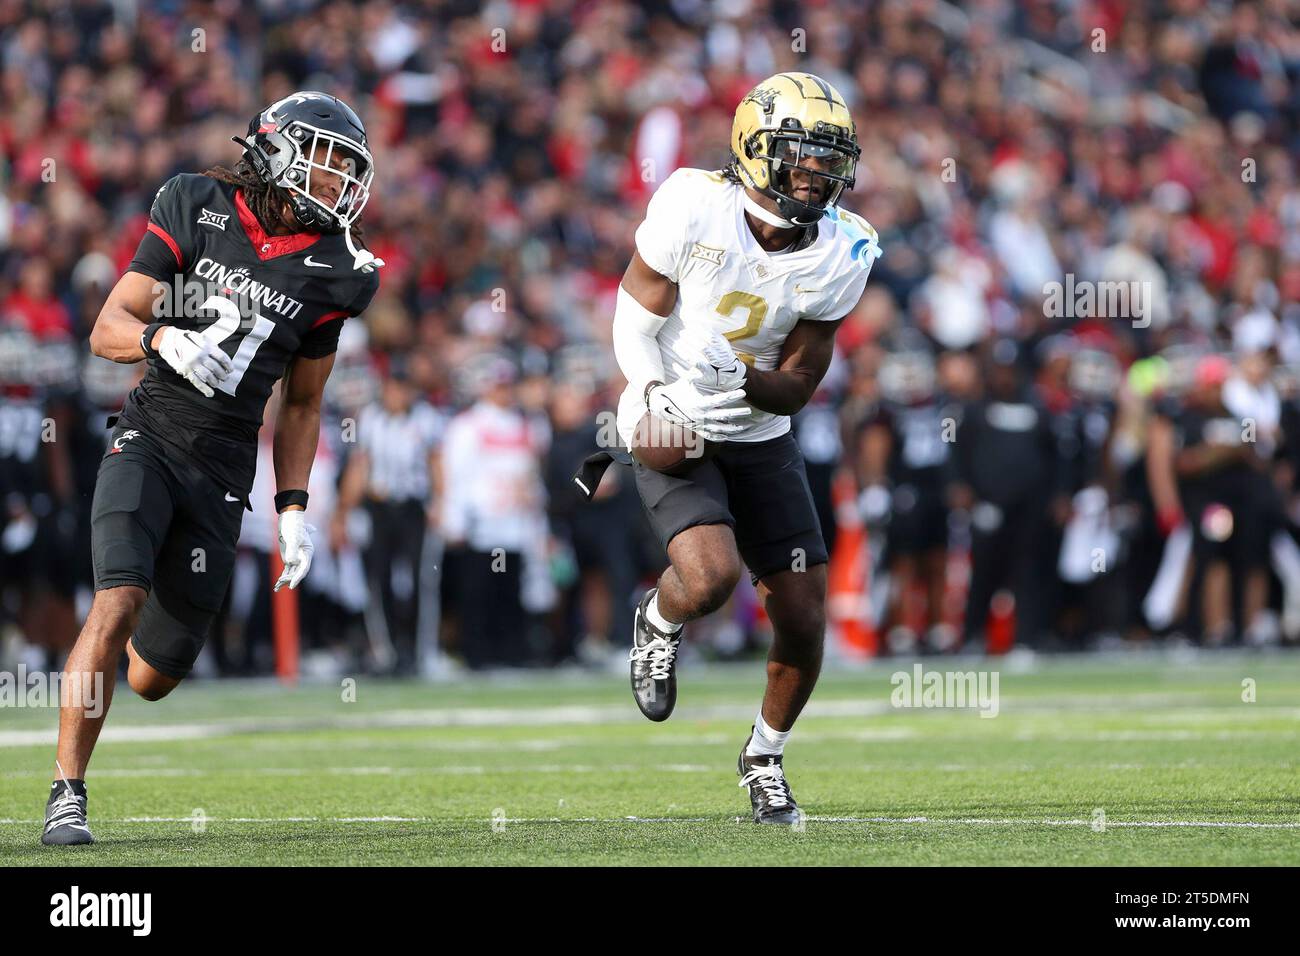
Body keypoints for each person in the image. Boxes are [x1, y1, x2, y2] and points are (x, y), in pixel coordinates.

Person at [41, 92, 381, 846]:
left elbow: (302, 404)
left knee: (152, 679)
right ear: (280, 150)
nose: (338, 188)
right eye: (327, 167)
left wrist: (292, 505)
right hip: (150, 434)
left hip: (225, 471)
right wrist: (162, 338)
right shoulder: (197, 203)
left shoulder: (340, 273)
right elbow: (108, 327)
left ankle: (119, 644)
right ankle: (67, 793)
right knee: (116, 601)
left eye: (346, 174)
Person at [609, 73, 877, 824]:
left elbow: (797, 389)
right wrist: (654, 393)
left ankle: (764, 756)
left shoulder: (844, 250)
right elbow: (633, 317)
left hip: (759, 432)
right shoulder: (694, 203)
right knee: (711, 578)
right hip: (678, 420)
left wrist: (745, 377)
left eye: (831, 160)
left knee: (802, 614)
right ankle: (658, 621)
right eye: (803, 157)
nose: (818, 174)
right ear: (756, 151)